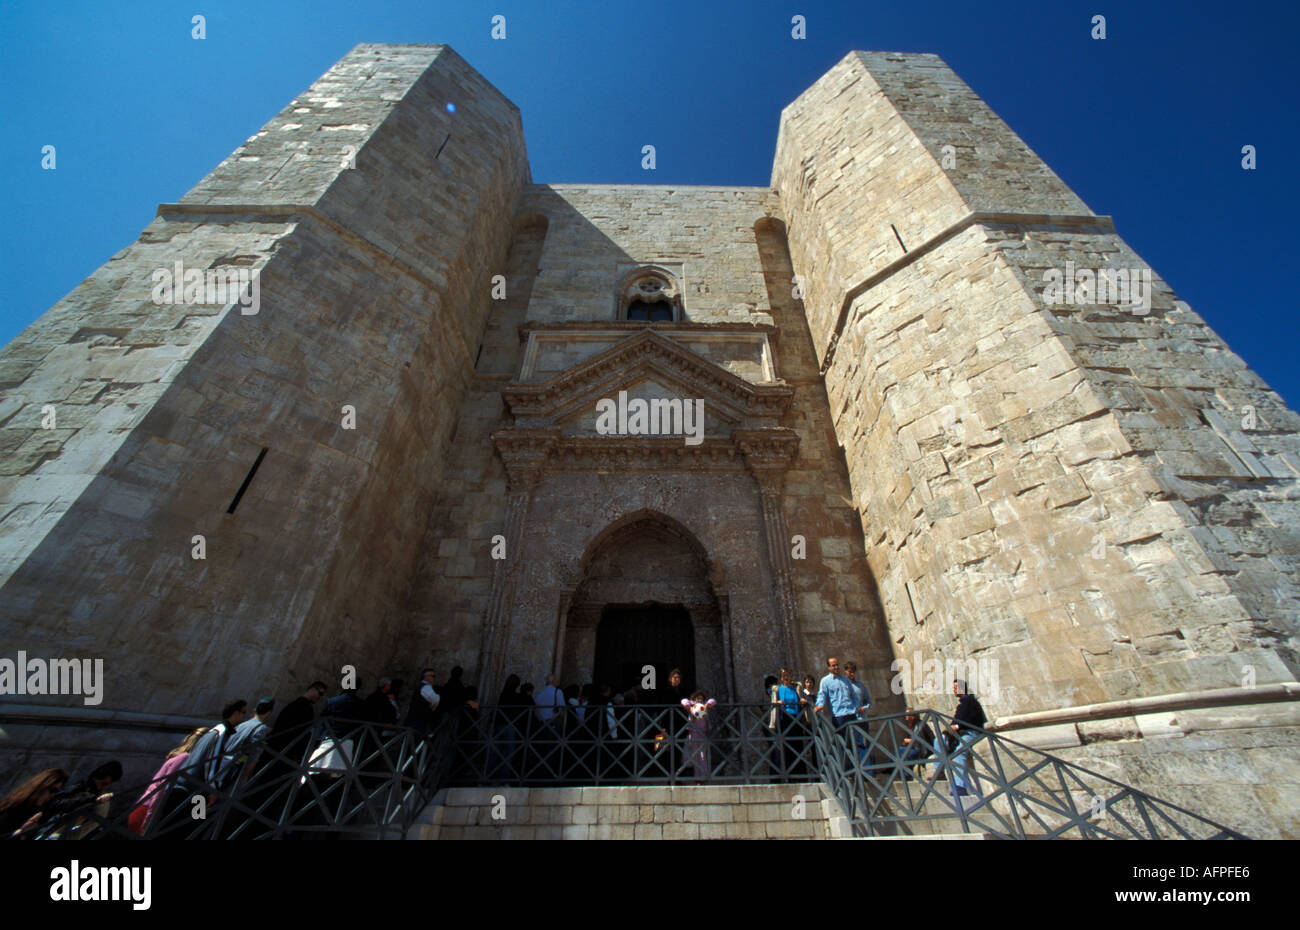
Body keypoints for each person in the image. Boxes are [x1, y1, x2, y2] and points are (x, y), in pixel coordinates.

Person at [129, 728, 208, 835]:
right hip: (147, 811)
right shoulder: (185, 759)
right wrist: (150, 817)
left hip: (147, 808)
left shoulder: (181, 757)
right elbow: (162, 789)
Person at [41, 760, 123, 838]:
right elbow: (57, 802)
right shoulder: (80, 787)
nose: (102, 787)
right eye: (103, 783)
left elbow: (91, 824)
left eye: (106, 784)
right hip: (51, 827)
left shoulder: (101, 798)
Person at [946, 680, 987, 804]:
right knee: (941, 743)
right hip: (963, 733)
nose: (953, 690)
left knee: (959, 754)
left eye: (955, 687)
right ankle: (939, 771)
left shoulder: (971, 702)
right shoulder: (961, 705)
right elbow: (956, 721)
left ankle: (960, 787)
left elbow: (974, 719)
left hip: (971, 732)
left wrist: (957, 727)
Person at [0, 768, 68, 839]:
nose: (52, 796)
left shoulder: (39, 811)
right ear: (41, 786)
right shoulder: (12, 808)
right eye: (52, 790)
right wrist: (20, 833)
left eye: (56, 792)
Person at [776, 668, 807, 778]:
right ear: (781, 678)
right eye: (784, 676)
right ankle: (790, 775)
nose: (787, 677)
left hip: (796, 717)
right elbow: (774, 701)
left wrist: (802, 700)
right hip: (785, 718)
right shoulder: (779, 689)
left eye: (788, 675)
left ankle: (802, 775)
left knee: (798, 745)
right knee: (787, 745)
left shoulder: (796, 688)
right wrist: (777, 702)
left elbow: (802, 697)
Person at [900, 709, 936, 780]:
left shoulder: (921, 725)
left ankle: (906, 775)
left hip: (922, 750)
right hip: (915, 748)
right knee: (900, 750)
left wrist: (910, 741)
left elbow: (924, 740)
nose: (905, 716)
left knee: (906, 754)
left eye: (907, 715)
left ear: (912, 716)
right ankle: (893, 770)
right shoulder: (912, 726)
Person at [404, 668, 440, 734]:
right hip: (420, 719)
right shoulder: (426, 687)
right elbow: (436, 699)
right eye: (433, 676)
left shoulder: (420, 686)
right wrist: (432, 707)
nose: (434, 678)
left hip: (414, 718)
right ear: (426, 676)